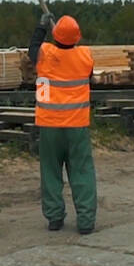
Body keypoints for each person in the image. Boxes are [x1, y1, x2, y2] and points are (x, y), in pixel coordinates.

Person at [28, 12, 97, 234]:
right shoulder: (86, 56)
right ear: (77, 38)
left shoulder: (45, 53)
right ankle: (86, 222)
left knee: (51, 173)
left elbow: (32, 49)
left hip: (49, 126)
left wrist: (42, 27)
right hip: (77, 126)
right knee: (82, 172)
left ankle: (55, 218)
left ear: (55, 35)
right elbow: (86, 71)